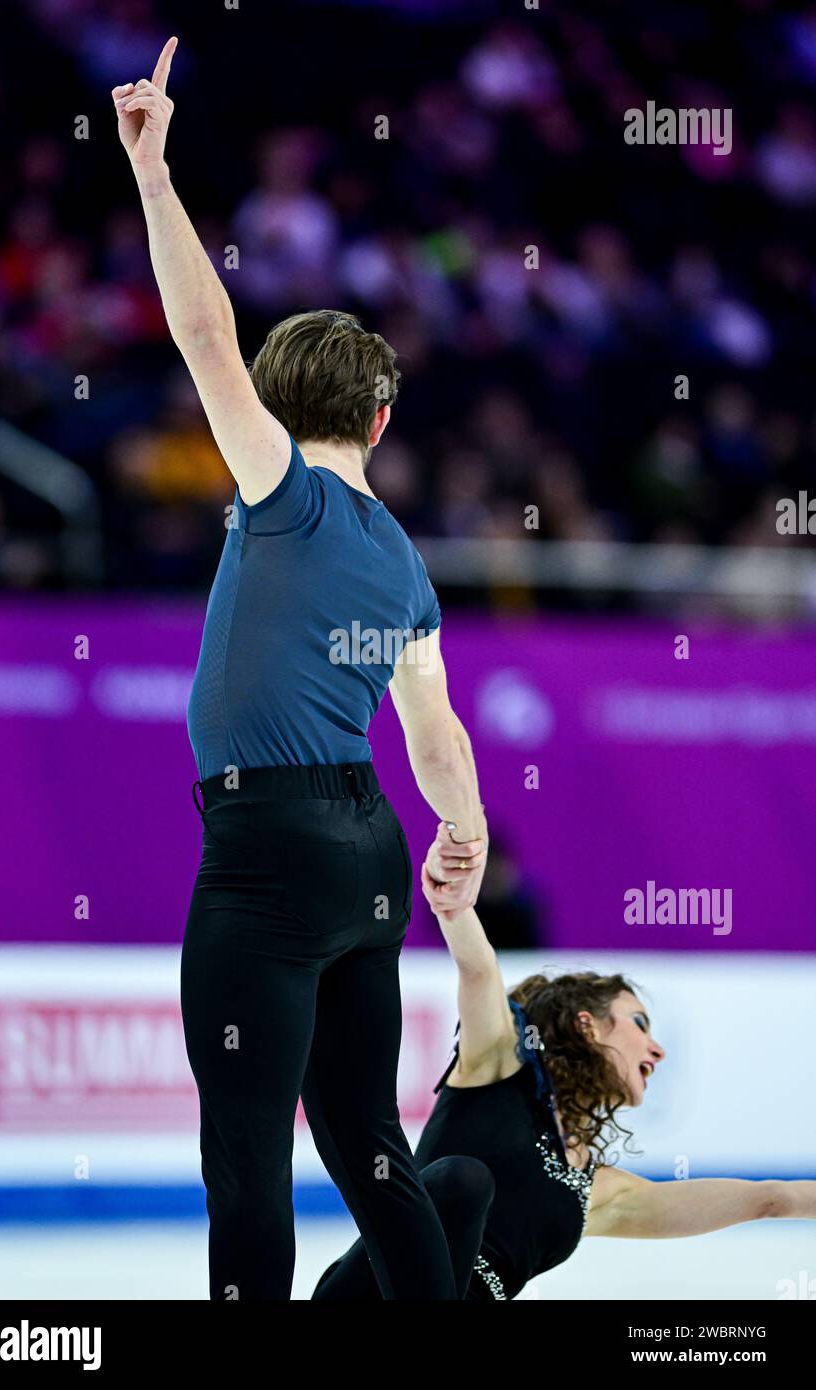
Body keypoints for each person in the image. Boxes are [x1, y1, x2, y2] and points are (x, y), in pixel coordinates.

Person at [112, 39, 489, 1301]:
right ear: (382, 422)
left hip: (266, 851)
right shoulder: (402, 563)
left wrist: (154, 171)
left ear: (277, 411)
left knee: (245, 1160)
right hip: (370, 848)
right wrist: (465, 825)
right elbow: (432, 734)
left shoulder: (278, 495)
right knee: (369, 1143)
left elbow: (202, 331)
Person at [312, 822, 816, 1300]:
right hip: (368, 1293)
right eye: (638, 1024)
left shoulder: (600, 1193)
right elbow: (481, 972)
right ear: (586, 1026)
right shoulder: (498, 1070)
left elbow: (771, 1198)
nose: (656, 1048)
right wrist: (455, 906)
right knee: (463, 1181)